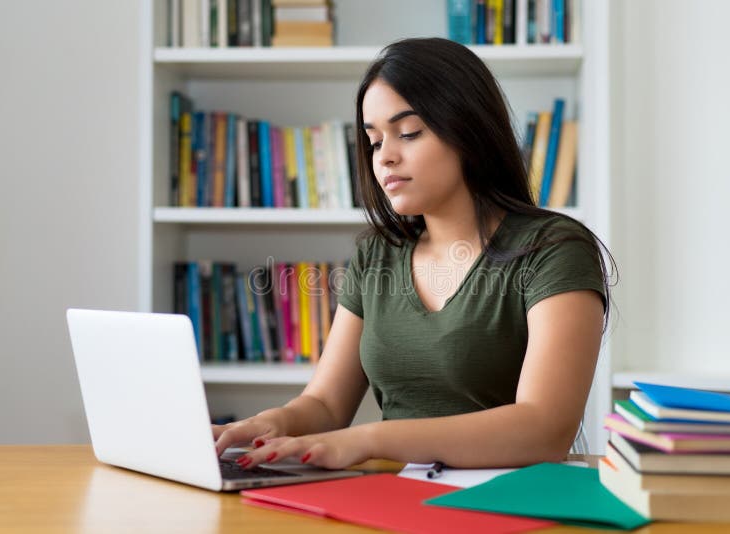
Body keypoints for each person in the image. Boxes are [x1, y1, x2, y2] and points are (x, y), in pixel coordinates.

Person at [213, 37, 614, 470]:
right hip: (396, 496)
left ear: (468, 130)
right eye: (373, 141)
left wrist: (371, 439)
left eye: (408, 133)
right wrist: (273, 422)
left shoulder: (553, 249)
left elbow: (545, 429)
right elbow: (326, 404)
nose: (385, 157)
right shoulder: (377, 253)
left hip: (507, 503)